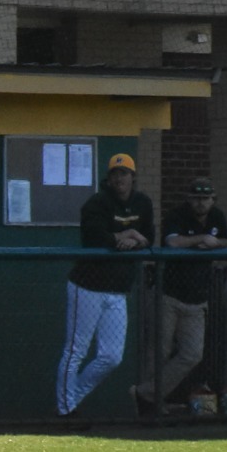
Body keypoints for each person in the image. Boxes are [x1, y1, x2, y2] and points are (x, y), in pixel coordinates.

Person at [57, 153, 154, 420]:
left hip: (118, 289)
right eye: (115, 174)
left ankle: (71, 397)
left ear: (133, 177)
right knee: (75, 350)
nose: (119, 178)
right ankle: (66, 410)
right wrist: (123, 235)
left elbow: (150, 236)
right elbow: (94, 237)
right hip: (87, 286)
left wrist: (134, 239)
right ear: (108, 178)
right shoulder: (97, 203)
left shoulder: (142, 203)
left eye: (124, 174)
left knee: (111, 357)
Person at [138, 177, 227, 413]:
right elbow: (173, 242)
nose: (201, 203)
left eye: (205, 198)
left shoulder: (217, 216)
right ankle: (151, 406)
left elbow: (226, 240)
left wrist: (216, 243)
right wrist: (201, 239)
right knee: (159, 351)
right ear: (189, 198)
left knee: (192, 354)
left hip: (198, 299)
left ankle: (145, 394)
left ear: (213, 199)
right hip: (168, 295)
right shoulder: (177, 215)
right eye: (196, 198)